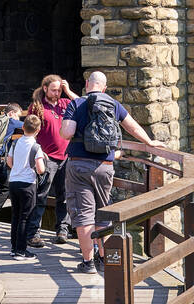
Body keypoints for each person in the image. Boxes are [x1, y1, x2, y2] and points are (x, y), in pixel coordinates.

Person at [61, 70, 153, 276]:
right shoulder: (113, 104)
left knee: (84, 215)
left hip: (79, 166)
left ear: (87, 85)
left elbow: (66, 133)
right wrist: (149, 143)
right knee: (103, 211)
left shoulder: (76, 104)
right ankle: (104, 258)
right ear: (104, 87)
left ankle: (88, 262)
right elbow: (133, 127)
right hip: (105, 166)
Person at [24, 75, 79, 248]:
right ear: (45, 88)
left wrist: (68, 91)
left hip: (65, 157)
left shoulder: (65, 103)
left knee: (64, 196)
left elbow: (83, 103)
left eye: (59, 90)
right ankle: (33, 233)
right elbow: (30, 131)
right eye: (53, 90)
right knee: (41, 195)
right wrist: (39, 152)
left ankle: (63, 230)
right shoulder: (37, 108)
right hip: (47, 158)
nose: (57, 93)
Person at [6, 114, 46, 260]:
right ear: (38, 130)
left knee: (16, 216)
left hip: (13, 182)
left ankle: (14, 247)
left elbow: (9, 162)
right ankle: (21, 251)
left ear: (23, 127)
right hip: (28, 184)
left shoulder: (16, 143)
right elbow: (41, 169)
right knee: (25, 217)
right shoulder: (36, 147)